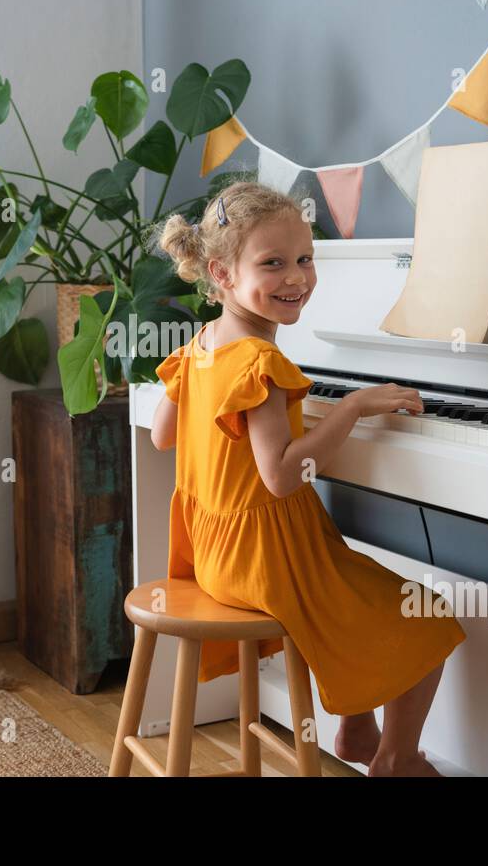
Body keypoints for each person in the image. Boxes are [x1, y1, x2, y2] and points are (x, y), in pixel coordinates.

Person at [149, 181, 466, 777]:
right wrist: (350, 408)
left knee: (352, 588)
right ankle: (398, 759)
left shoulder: (202, 347)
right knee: (428, 615)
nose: (296, 277)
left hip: (214, 555)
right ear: (221, 272)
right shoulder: (261, 363)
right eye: (272, 264)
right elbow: (282, 477)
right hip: (269, 562)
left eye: (305, 259)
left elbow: (162, 435)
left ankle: (355, 725)